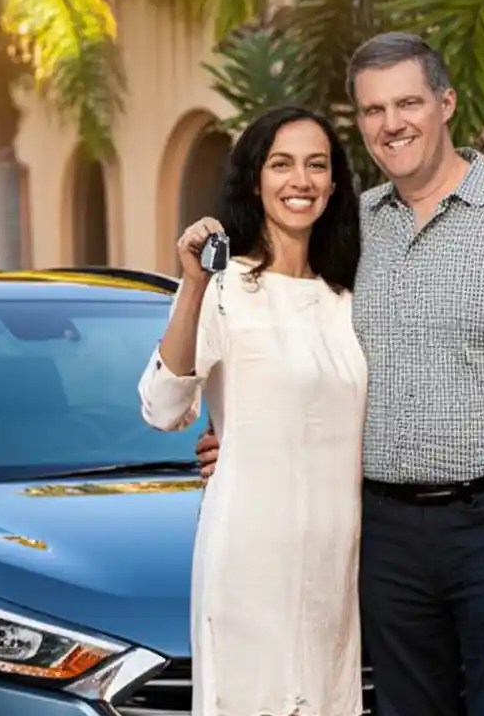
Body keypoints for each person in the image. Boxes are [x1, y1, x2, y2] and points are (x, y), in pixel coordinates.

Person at [193, 32, 484, 716]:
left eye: (409, 102)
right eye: (372, 110)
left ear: (445, 103)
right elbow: (296, 345)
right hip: (382, 532)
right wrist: (242, 437)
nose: (392, 124)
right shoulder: (350, 228)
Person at [137, 104, 365, 716]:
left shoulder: (348, 297)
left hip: (335, 563)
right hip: (249, 556)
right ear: (255, 179)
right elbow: (163, 408)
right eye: (282, 164)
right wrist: (192, 284)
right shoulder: (225, 288)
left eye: (317, 165)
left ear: (335, 184)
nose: (301, 181)